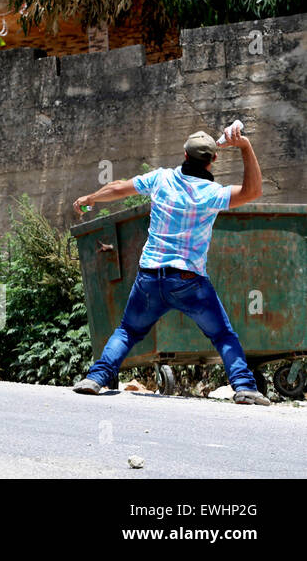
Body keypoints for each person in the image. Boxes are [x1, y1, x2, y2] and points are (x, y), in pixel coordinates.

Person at [69, 123, 269, 405]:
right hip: (189, 281)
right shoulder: (213, 194)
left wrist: (90, 198)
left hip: (150, 277)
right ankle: (245, 388)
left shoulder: (161, 179)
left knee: (127, 331)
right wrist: (245, 147)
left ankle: (96, 378)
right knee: (223, 335)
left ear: (185, 155)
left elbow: (118, 188)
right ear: (212, 161)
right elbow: (252, 191)